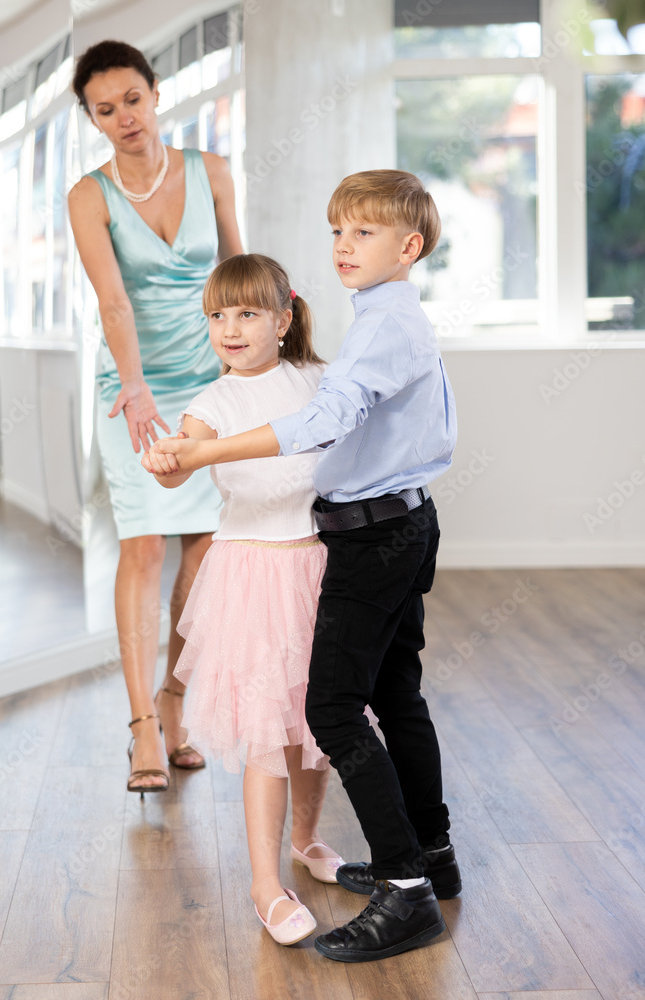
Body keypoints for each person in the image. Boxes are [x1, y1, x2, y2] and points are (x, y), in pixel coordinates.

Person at [144, 170, 461, 962]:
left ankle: (406, 886)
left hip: (366, 539)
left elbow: (322, 422)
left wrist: (208, 450)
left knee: (329, 711)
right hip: (373, 531)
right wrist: (192, 452)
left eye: (362, 232)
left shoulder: (376, 333)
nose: (343, 246)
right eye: (337, 231)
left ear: (409, 246)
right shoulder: (379, 322)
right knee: (389, 696)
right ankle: (431, 859)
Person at [146, 253, 346, 946]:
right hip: (253, 576)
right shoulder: (213, 403)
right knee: (266, 727)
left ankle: (308, 838)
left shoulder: (319, 380)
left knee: (316, 720)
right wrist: (166, 459)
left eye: (247, 313)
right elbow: (182, 461)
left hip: (319, 567)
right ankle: (267, 883)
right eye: (216, 315)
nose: (229, 327)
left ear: (284, 320)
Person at [68, 41, 244, 794]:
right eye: (105, 109)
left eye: (132, 100)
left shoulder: (210, 170)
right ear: (92, 116)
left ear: (156, 93)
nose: (123, 118)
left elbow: (240, 272)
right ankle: (142, 724)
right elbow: (113, 300)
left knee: (204, 548)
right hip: (131, 389)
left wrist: (270, 356)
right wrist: (136, 387)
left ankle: (177, 704)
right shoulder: (88, 195)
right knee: (142, 549)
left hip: (209, 384)